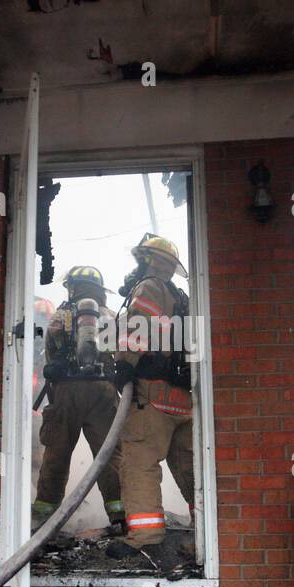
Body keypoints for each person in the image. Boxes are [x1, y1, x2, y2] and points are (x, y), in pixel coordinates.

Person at [110, 234, 194, 562]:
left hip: (151, 395)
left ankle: (145, 537)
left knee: (139, 462)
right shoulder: (182, 297)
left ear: (148, 260)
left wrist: (124, 365)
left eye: (141, 260)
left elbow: (137, 324)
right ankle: (205, 534)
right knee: (191, 470)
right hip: (183, 400)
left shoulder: (149, 287)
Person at [31, 266, 125, 534]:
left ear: (73, 287)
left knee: (56, 454)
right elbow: (121, 352)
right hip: (104, 392)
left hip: (67, 391)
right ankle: (120, 516)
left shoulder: (63, 313)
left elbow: (51, 349)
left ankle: (43, 521)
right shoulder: (109, 316)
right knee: (109, 455)